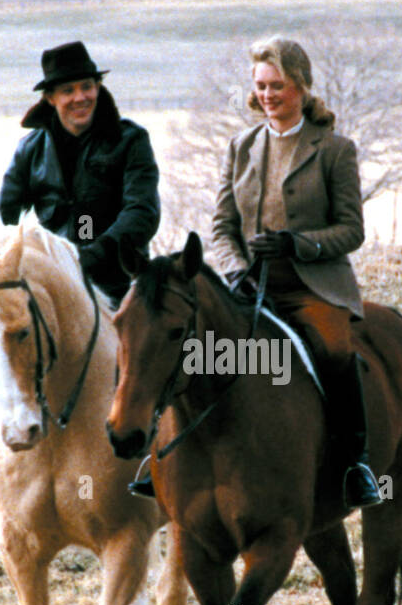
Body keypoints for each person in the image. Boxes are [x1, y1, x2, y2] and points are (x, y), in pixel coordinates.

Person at [130, 35, 380, 509]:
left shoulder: (334, 149)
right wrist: (235, 269)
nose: (268, 95)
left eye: (278, 85)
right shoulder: (240, 146)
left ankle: (355, 463)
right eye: (262, 86)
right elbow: (222, 226)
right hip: (245, 288)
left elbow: (351, 230)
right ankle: (162, 458)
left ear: (302, 86)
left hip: (312, 287)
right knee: (194, 350)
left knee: (333, 350)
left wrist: (297, 244)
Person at [0, 41, 161, 518]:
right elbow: (2, 215)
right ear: (50, 98)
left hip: (112, 275)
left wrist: (91, 254)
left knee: (148, 342)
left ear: (98, 88)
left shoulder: (130, 140)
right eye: (68, 90)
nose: (79, 97)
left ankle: (154, 456)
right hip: (45, 286)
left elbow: (141, 213)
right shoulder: (30, 149)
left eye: (87, 86)